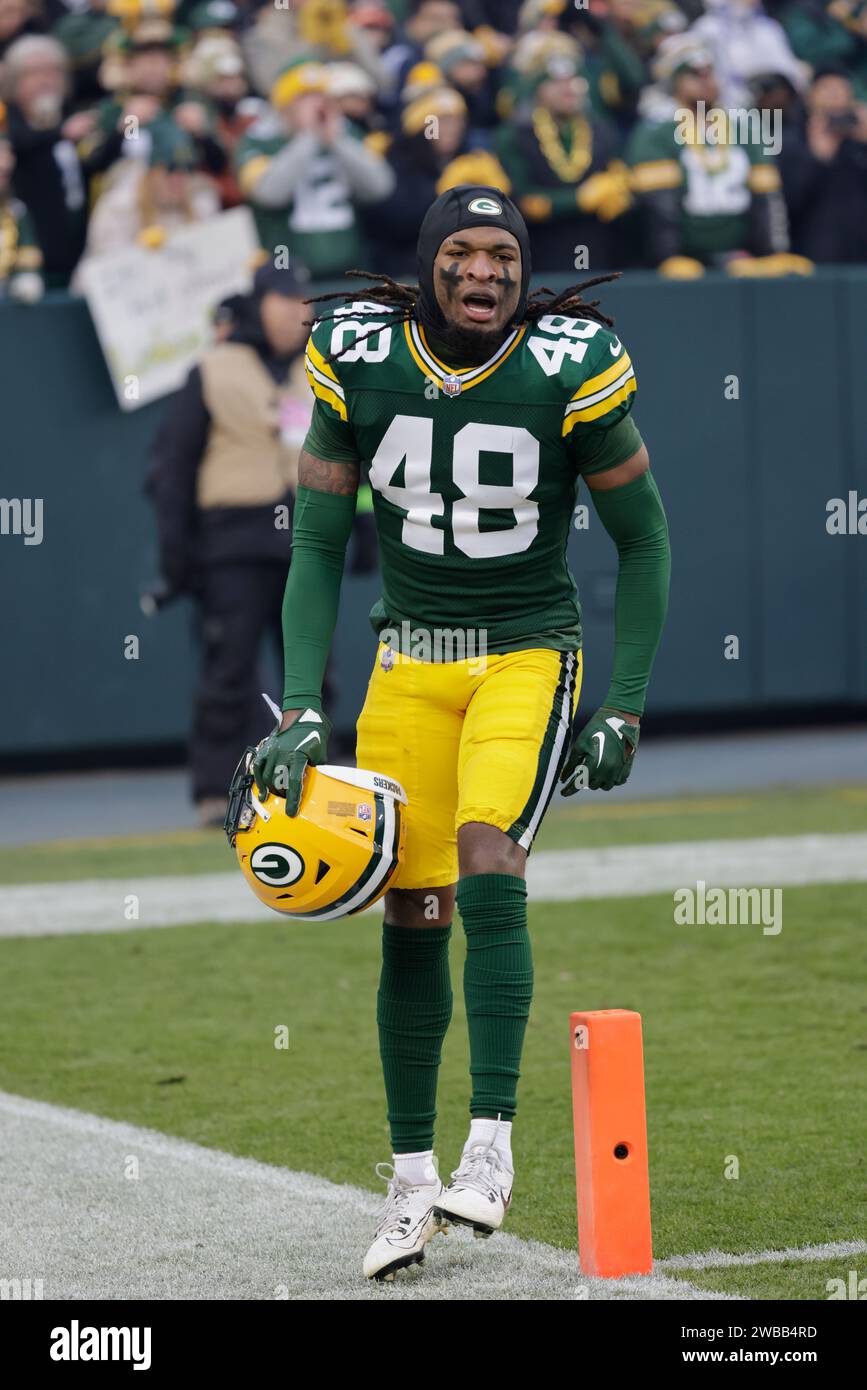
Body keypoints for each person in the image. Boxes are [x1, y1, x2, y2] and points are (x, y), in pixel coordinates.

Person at [251, 185, 671, 1281]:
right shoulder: (355, 353)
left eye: (504, 256)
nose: (486, 274)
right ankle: (409, 1179)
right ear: (429, 261)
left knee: (491, 858)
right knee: (412, 906)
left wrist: (622, 700)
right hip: (411, 662)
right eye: (465, 254)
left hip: (528, 649)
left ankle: (491, 1142)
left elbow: (646, 538)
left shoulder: (566, 364)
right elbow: (315, 545)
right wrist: (302, 702)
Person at [146, 264, 313, 827]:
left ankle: (311, 783)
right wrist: (178, 555)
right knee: (228, 669)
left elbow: (349, 463)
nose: (297, 311)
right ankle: (216, 792)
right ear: (258, 303)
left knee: (311, 672)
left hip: (305, 539)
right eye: (285, 299)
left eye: (304, 300)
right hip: (233, 541)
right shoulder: (214, 369)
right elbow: (173, 468)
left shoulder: (319, 371)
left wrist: (358, 534)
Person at [627, 35, 792, 275]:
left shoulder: (743, 125)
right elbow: (658, 206)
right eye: (695, 74)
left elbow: (767, 197)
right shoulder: (657, 129)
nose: (706, 81)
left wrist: (773, 252)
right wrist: (667, 256)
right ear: (675, 82)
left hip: (742, 257)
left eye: (710, 72)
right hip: (685, 262)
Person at [236, 58, 394, 273]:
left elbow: (381, 187)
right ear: (285, 106)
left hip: (350, 270)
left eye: (321, 96)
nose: (317, 104)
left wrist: (338, 142)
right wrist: (308, 138)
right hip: (289, 276)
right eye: (305, 97)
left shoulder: (345, 134)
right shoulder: (259, 140)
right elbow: (269, 194)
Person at [778, 67, 867, 262]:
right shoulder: (791, 141)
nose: (835, 97)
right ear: (810, 97)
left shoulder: (858, 143)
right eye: (827, 89)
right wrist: (817, 159)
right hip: (812, 258)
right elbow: (786, 205)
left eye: (841, 90)